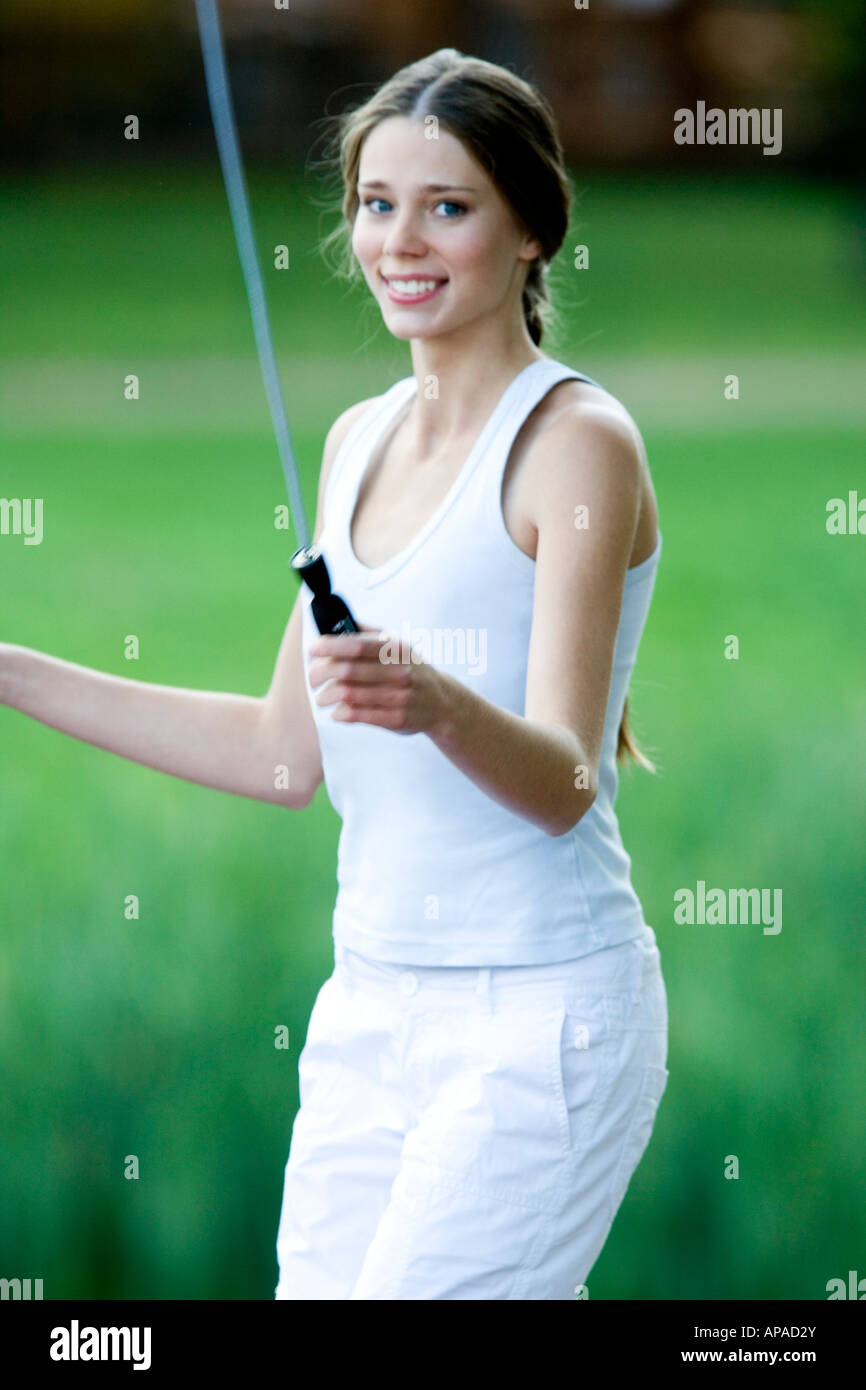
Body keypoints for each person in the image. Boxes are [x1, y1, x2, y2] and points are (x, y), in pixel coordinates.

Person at [0, 46, 669, 1302]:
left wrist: (434, 703)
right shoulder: (357, 439)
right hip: (368, 1013)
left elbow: (568, 777)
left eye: (447, 206)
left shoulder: (576, 443)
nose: (399, 242)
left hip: (537, 1020)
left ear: (530, 228)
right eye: (376, 204)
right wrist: (10, 673)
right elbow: (277, 753)